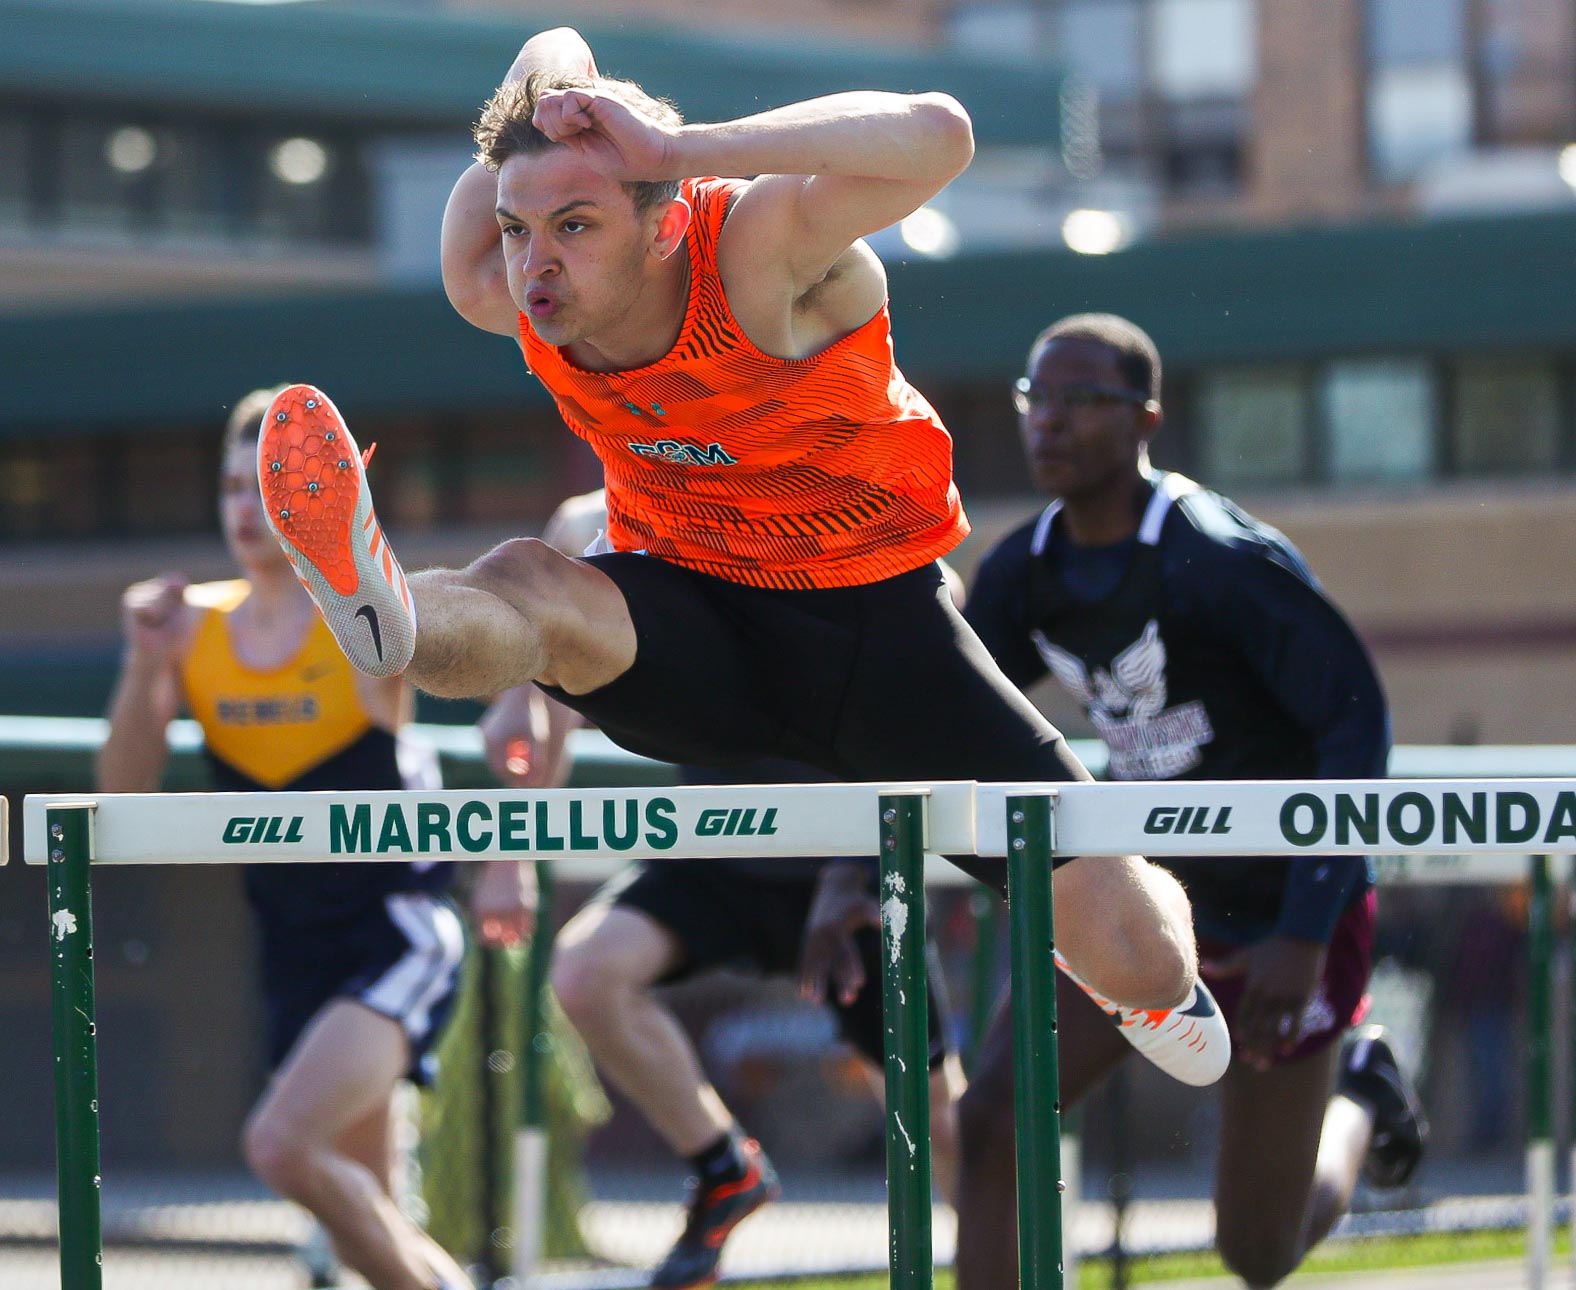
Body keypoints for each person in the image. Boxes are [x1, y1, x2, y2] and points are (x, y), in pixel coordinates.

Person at [256, 21, 1200, 1243]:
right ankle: (383, 610)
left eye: (576, 227)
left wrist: (676, 137)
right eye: (518, 228)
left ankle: (1160, 987)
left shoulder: (755, 247)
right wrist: (552, 93)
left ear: (663, 213)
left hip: (877, 637)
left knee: (1136, 957)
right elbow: (547, 48)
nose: (534, 264)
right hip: (695, 617)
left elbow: (943, 137)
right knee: (531, 583)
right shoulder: (501, 286)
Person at [955, 313, 1427, 1289]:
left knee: (1254, 1252)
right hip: (1153, 902)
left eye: (1081, 401)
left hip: (1284, 910)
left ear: (1145, 420)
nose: (1049, 422)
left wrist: (1303, 930)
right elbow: (933, 715)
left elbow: (1355, 723)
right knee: (993, 1111)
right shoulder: (1024, 570)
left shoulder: (1216, 558)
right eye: (1035, 399)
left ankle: (1361, 1099)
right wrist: (847, 877)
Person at [97, 388, 534, 1290]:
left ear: (313, 501)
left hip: (395, 933)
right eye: (229, 488)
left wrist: (506, 862)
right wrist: (144, 660)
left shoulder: (360, 617)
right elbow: (121, 793)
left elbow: (500, 690)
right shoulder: (188, 631)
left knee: (281, 1146)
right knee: (362, 1212)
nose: (244, 510)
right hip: (291, 950)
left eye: (267, 487)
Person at [485, 489, 967, 1288]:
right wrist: (507, 857)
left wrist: (860, 865)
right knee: (586, 972)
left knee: (937, 1119)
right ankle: (723, 1168)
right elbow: (541, 718)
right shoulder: (581, 526)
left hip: (843, 855)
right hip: (718, 839)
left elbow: (934, 660)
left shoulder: (805, 490)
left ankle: (1001, 1269)